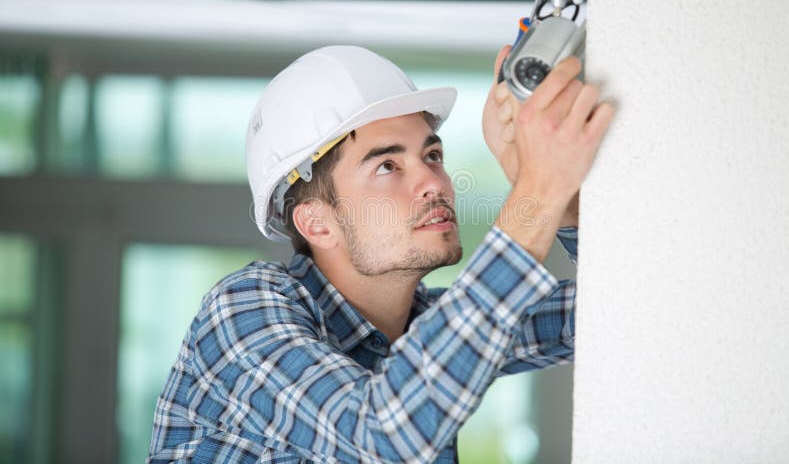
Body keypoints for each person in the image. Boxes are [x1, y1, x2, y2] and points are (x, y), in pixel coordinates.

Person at [148, 45, 613, 463]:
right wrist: (539, 188)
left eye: (431, 156)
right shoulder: (241, 312)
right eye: (387, 166)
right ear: (316, 222)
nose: (434, 182)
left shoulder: (427, 328)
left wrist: (560, 203)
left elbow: (616, 317)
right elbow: (385, 437)